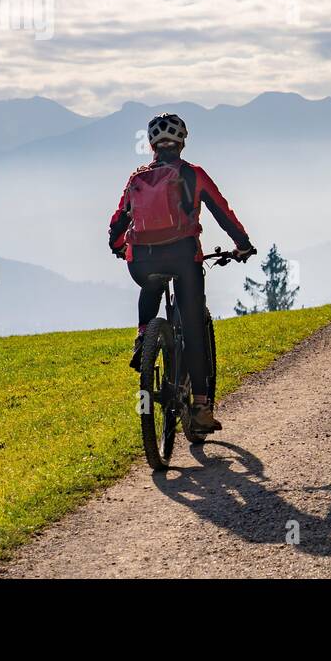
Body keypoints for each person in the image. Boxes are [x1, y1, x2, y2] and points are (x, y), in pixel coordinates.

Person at [108, 112, 255, 435]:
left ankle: (145, 334)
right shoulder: (193, 175)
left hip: (142, 261)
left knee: (150, 284)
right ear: (182, 142)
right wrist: (242, 245)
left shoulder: (137, 179)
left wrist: (119, 246)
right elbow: (223, 212)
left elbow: (118, 221)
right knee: (192, 325)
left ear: (152, 145)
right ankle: (200, 406)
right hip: (184, 258)